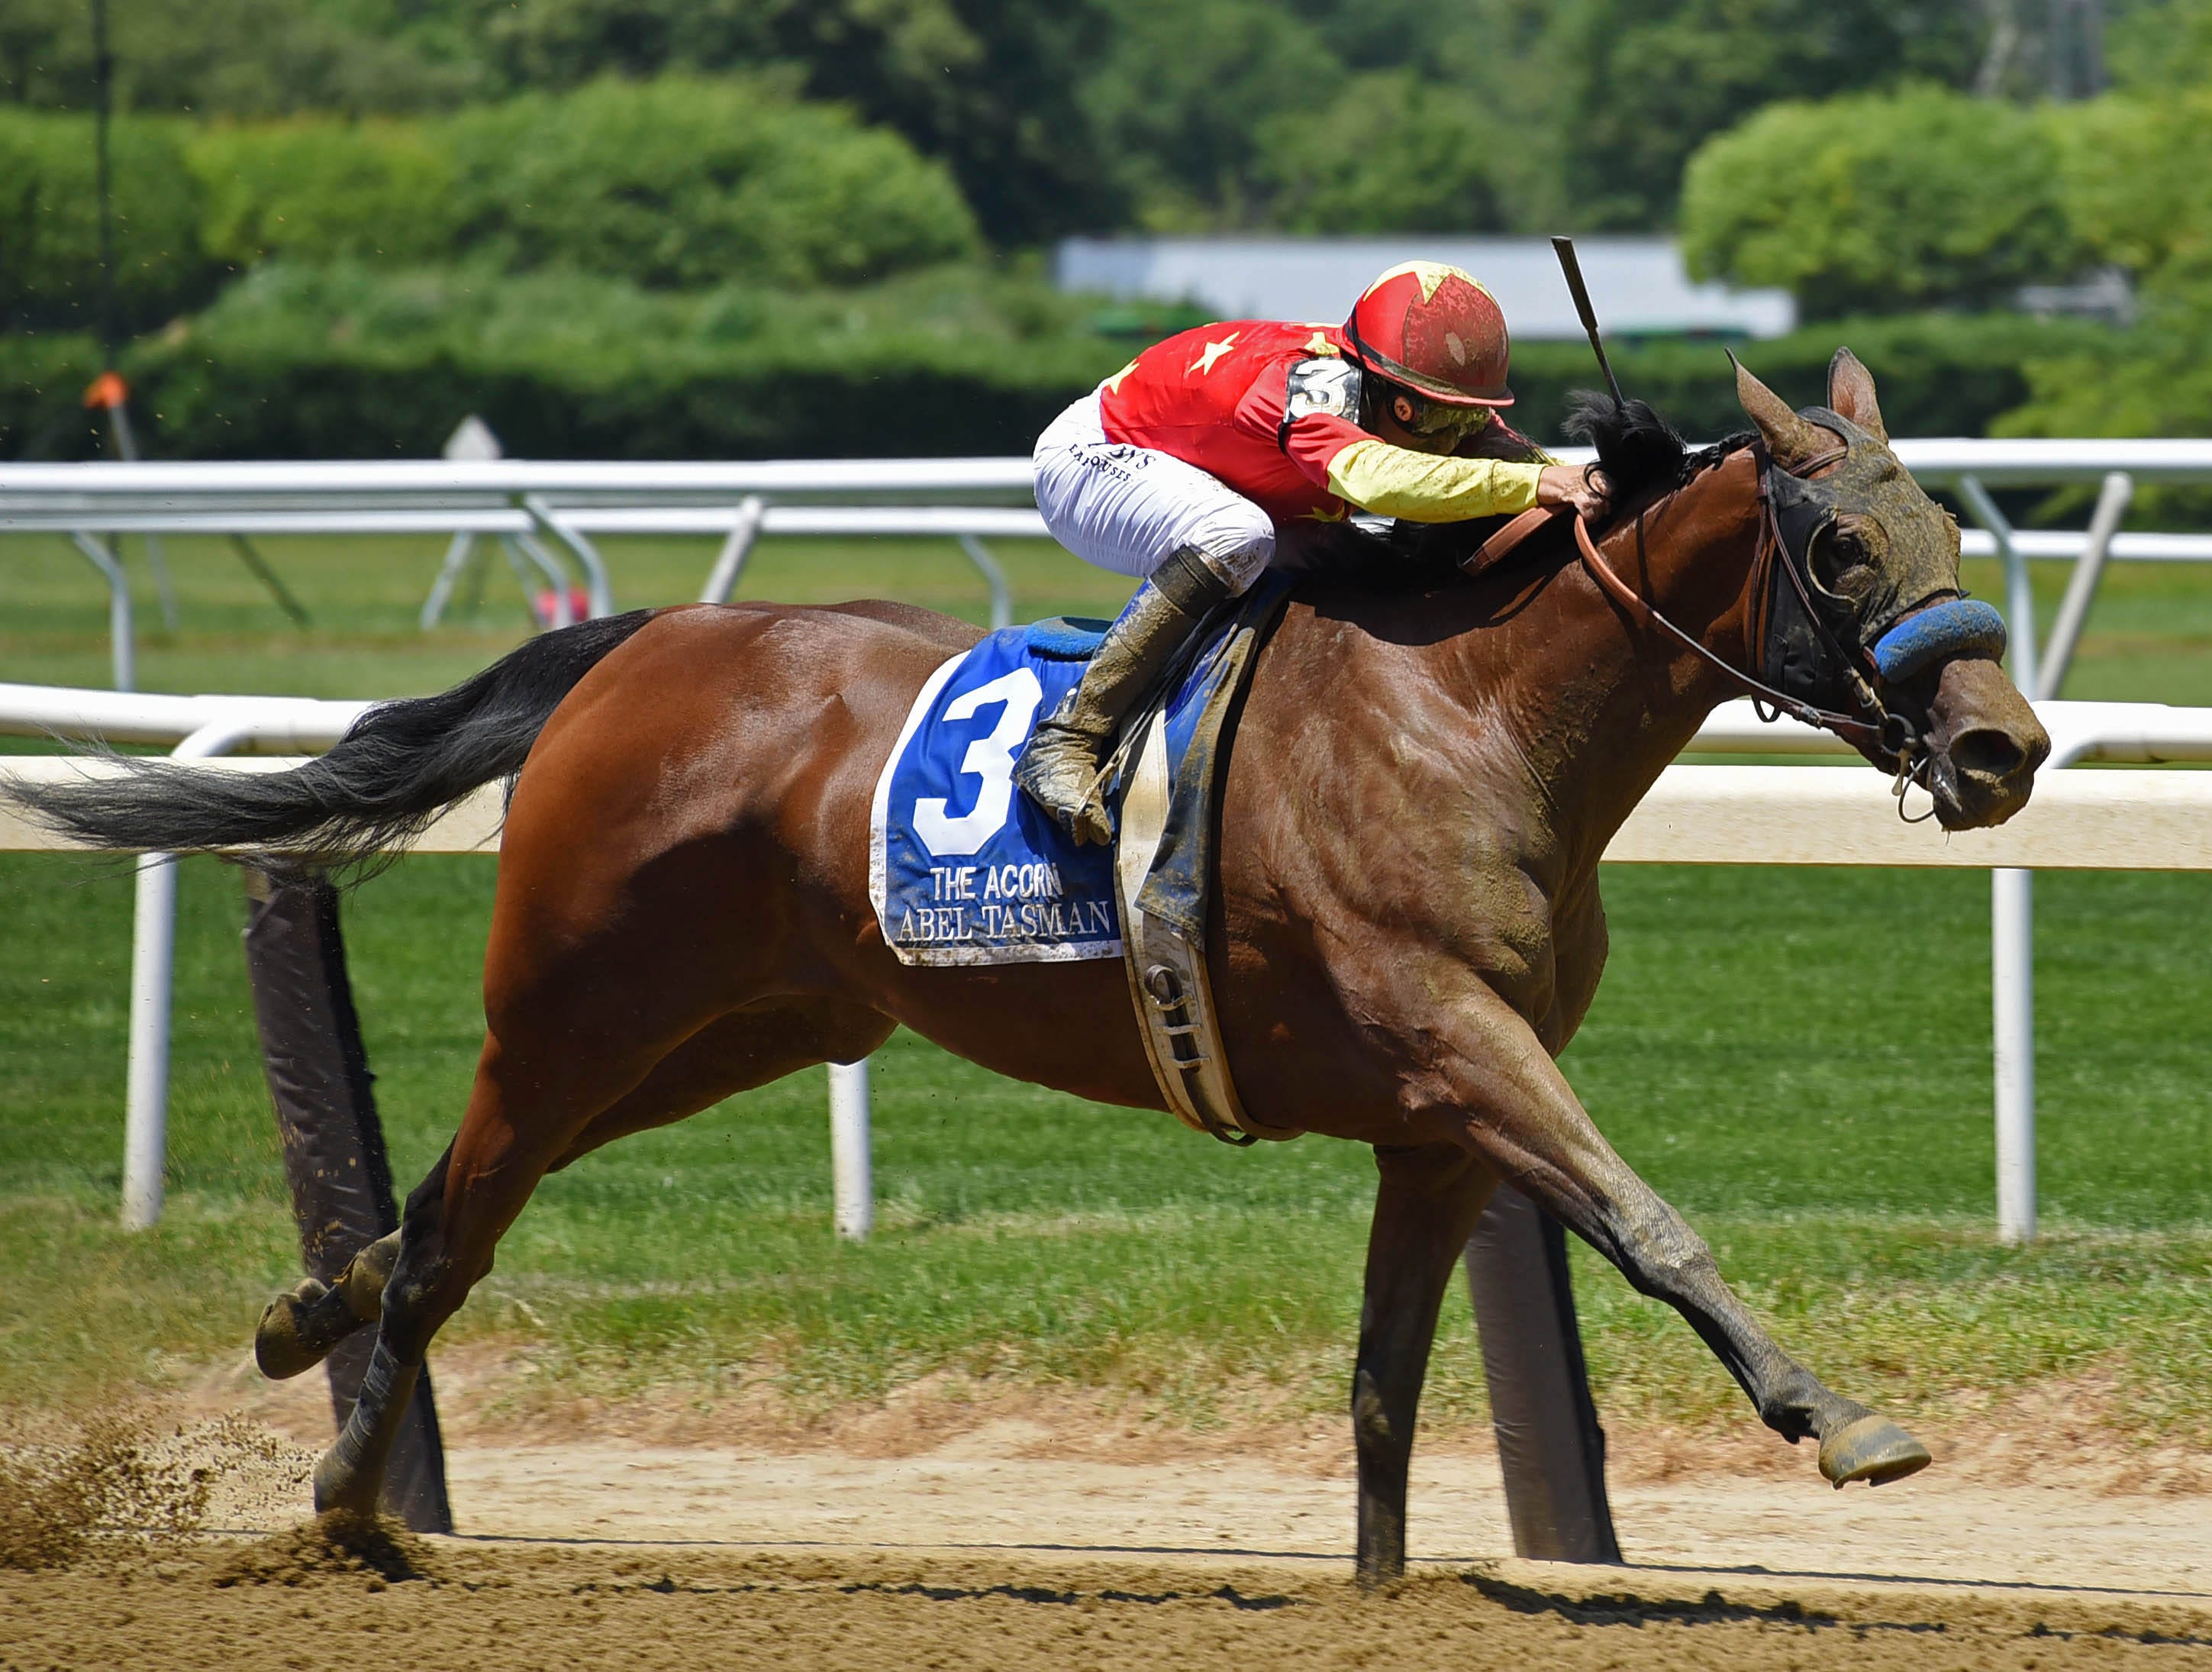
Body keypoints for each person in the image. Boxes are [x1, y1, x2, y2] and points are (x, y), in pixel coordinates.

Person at [1014, 260, 1613, 846]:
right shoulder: (1308, 390)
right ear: (1388, 391)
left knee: (1359, 562)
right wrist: (1536, 484)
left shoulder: (1409, 384)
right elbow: (1379, 482)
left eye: (1466, 419)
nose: (1452, 441)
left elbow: (1527, 465)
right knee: (1237, 535)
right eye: (1434, 420)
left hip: (1216, 474)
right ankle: (1068, 738)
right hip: (1095, 458)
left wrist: (1603, 484)